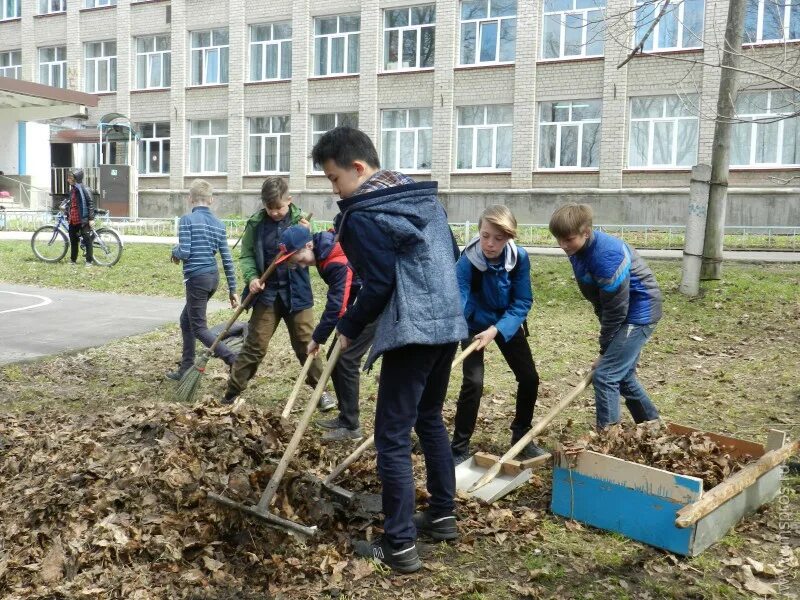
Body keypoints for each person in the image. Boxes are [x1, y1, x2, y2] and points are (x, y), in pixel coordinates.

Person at [312, 126, 468, 574]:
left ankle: (399, 545)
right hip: (446, 325)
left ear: (358, 169)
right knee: (430, 418)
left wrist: (349, 324)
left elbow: (378, 283)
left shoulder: (364, 214)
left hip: (412, 331)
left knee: (392, 437)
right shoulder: (420, 198)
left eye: (334, 179)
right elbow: (449, 254)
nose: (334, 189)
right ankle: (441, 515)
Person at [222, 176, 335, 411]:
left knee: (307, 343)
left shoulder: (301, 221)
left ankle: (323, 393)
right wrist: (252, 277)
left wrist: (307, 233)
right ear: (263, 204)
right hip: (267, 294)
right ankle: (232, 391)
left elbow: (314, 249)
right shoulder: (256, 223)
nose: (274, 212)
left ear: (289, 200)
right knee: (255, 344)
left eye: (279, 207)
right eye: (269, 208)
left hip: (298, 293)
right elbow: (247, 256)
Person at [548, 203, 662, 430]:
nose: (562, 245)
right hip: (620, 311)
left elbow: (616, 309)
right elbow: (600, 300)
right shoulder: (577, 249)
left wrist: (605, 351)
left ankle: (608, 440)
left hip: (639, 313)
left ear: (586, 232)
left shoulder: (606, 255)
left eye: (568, 239)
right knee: (623, 376)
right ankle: (652, 427)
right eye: (559, 239)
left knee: (606, 375)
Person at [450, 205, 545, 465]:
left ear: (509, 237)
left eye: (498, 238)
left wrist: (497, 330)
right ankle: (458, 446)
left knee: (529, 378)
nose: (490, 244)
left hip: (506, 323)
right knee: (474, 382)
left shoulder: (519, 259)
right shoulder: (468, 259)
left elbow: (523, 301)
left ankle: (521, 435)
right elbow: (460, 296)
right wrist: (459, 327)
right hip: (473, 324)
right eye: (485, 236)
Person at [277, 224, 376, 442]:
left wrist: (317, 338)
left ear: (309, 244)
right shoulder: (323, 253)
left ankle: (352, 427)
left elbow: (336, 308)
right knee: (335, 358)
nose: (300, 264)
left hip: (373, 307)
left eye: (299, 257)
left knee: (346, 360)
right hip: (357, 308)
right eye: (294, 262)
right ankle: (345, 416)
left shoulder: (335, 260)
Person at [167, 179, 239, 380]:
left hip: (197, 278)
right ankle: (186, 368)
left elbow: (185, 252)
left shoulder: (187, 220)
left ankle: (233, 358)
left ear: (190, 199)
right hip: (212, 279)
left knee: (198, 328)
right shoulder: (219, 224)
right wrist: (233, 289)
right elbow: (226, 258)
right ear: (211, 200)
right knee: (186, 320)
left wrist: (174, 251)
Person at [65, 169, 94, 267]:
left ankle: (89, 261)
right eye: (68, 178)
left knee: (87, 240)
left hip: (82, 219)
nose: (68, 180)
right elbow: (71, 203)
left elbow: (90, 204)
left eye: (70, 178)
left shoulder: (84, 189)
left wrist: (91, 218)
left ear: (76, 179)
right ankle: (73, 260)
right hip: (73, 219)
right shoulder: (73, 190)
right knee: (73, 240)